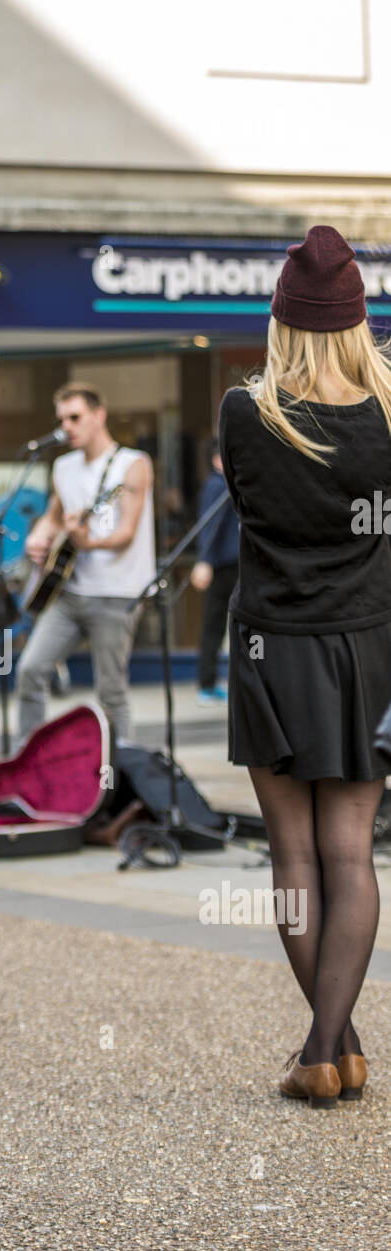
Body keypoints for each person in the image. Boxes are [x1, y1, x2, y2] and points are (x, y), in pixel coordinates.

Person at [220, 223, 391, 1109]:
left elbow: (243, 504)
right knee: (348, 852)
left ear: (282, 321)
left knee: (291, 858)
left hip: (268, 648)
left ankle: (323, 1049)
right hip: (367, 647)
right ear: (359, 321)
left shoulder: (247, 412)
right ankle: (336, 1045)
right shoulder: (390, 412)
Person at [16, 382, 155, 744]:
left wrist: (88, 541)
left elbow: (126, 533)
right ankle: (25, 760)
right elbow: (54, 516)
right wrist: (38, 536)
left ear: (99, 415)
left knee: (110, 690)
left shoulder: (132, 464)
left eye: (75, 417)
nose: (67, 427)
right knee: (30, 670)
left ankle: (122, 773)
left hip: (116, 593)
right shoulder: (63, 466)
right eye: (62, 419)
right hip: (69, 591)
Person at [190, 435, 239, 704]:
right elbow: (210, 525)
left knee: (223, 625)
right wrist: (204, 561)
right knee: (215, 625)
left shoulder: (227, 485)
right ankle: (206, 683)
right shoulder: (216, 486)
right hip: (222, 566)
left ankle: (210, 683)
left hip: (231, 563)